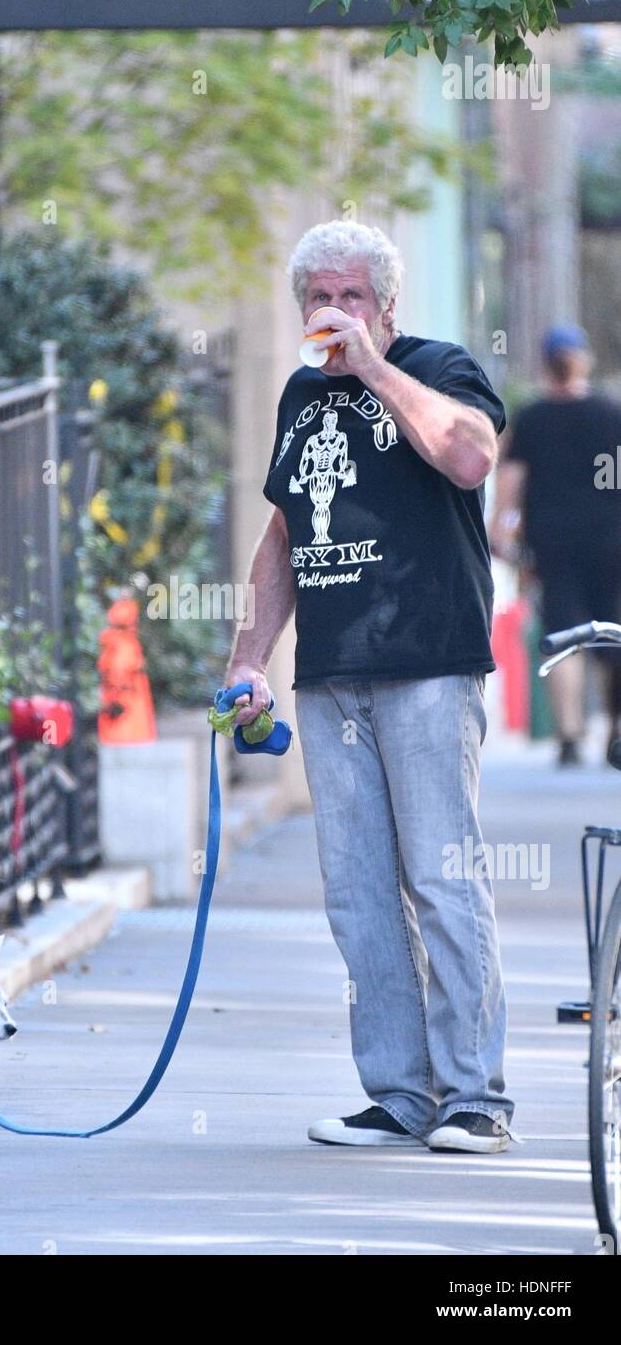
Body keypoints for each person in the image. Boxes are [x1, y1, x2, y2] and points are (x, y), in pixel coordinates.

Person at [225, 219, 515, 1154]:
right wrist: (246, 660)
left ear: (387, 308)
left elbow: (468, 456)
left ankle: (476, 1098)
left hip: (429, 663)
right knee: (356, 893)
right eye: (318, 297)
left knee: (441, 878)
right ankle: (399, 1094)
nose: (333, 313)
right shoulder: (299, 395)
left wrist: (374, 369)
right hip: (332, 675)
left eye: (352, 297)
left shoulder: (439, 367)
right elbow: (281, 542)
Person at [491, 324, 621, 767]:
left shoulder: (531, 417)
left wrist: (499, 532)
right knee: (611, 630)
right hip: (612, 539)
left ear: (546, 364)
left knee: (564, 630)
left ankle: (568, 736)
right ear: (583, 359)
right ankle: (615, 731)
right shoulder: (611, 412)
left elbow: (510, 480)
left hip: (553, 541)